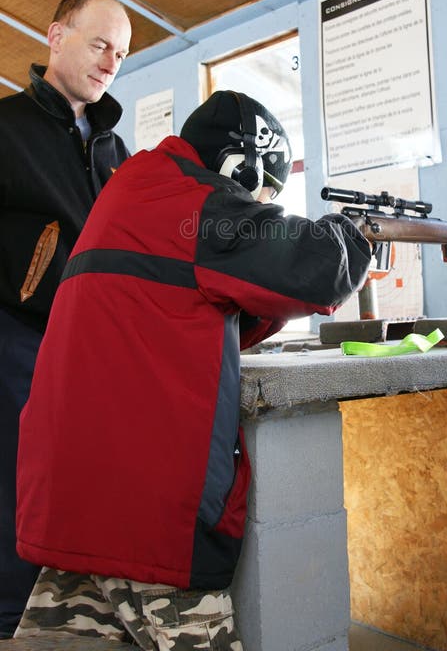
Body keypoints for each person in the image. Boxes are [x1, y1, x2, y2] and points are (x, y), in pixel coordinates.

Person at [14, 90, 372, 651]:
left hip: (76, 492)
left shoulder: (138, 189)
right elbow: (315, 267)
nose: (260, 201)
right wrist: (357, 235)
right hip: (144, 509)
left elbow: (182, 302)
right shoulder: (198, 199)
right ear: (242, 165)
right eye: (265, 189)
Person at [0, 0, 132, 637]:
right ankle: (6, 619)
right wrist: (30, 277)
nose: (111, 61)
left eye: (122, 52)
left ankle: (65, 614)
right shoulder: (5, 126)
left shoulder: (115, 149)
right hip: (16, 336)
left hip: (91, 344)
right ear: (55, 36)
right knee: (11, 475)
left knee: (73, 477)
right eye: (99, 42)